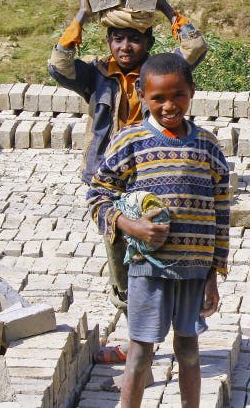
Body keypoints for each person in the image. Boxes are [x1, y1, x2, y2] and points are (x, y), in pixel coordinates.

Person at [48, 0, 208, 364]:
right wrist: (83, 15)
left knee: (159, 254)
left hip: (153, 179)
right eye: (117, 38)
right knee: (119, 261)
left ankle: (155, 338)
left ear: (149, 44)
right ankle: (136, 336)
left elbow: (195, 47)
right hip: (110, 182)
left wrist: (168, 9)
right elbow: (58, 64)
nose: (124, 47)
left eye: (134, 39)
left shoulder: (158, 76)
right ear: (108, 42)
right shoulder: (96, 76)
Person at [87, 52, 229, 408]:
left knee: (189, 349)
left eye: (178, 95)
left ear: (192, 91)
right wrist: (131, 225)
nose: (169, 105)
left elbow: (221, 211)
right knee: (140, 352)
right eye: (158, 98)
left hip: (195, 271)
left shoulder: (207, 146)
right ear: (141, 94)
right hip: (148, 268)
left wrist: (214, 272)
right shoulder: (130, 141)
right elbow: (97, 196)